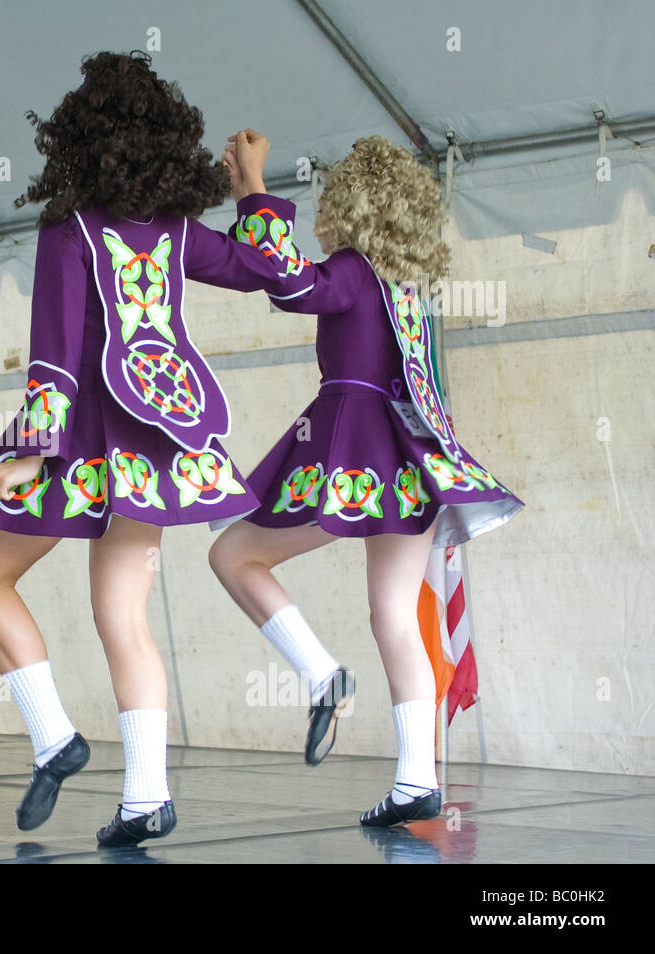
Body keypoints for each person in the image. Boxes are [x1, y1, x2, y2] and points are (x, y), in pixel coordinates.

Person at [0, 52, 307, 847]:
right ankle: (146, 796)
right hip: (154, 441)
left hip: (75, 437)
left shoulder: (68, 227)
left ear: (78, 139)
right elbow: (265, 272)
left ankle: (53, 738)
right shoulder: (180, 231)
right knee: (125, 618)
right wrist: (253, 186)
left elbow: (51, 354)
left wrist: (32, 452)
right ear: (167, 142)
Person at [209, 133, 524, 827]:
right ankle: (416, 778)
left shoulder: (352, 270)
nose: (320, 211)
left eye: (327, 199)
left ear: (352, 205)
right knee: (392, 617)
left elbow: (289, 283)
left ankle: (322, 675)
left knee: (232, 553)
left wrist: (253, 183)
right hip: (408, 459)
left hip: (352, 450)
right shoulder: (407, 286)